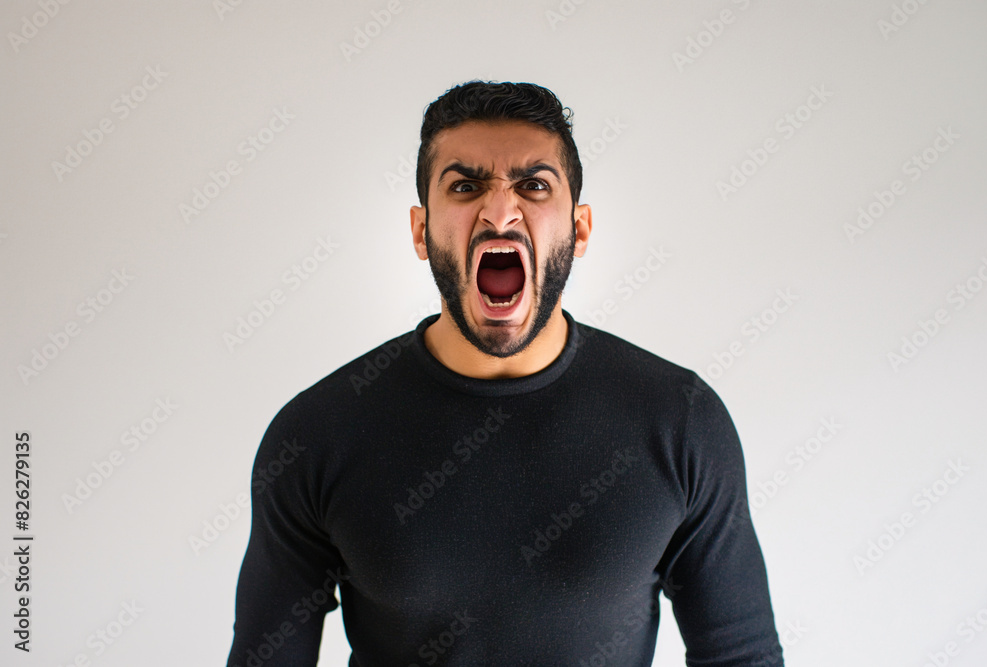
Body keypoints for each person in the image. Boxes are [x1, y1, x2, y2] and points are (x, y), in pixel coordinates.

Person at [227, 80, 784, 666]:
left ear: (580, 228)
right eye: (465, 186)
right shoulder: (317, 434)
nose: (498, 211)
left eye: (534, 185)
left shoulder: (681, 421)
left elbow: (739, 656)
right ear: (421, 230)